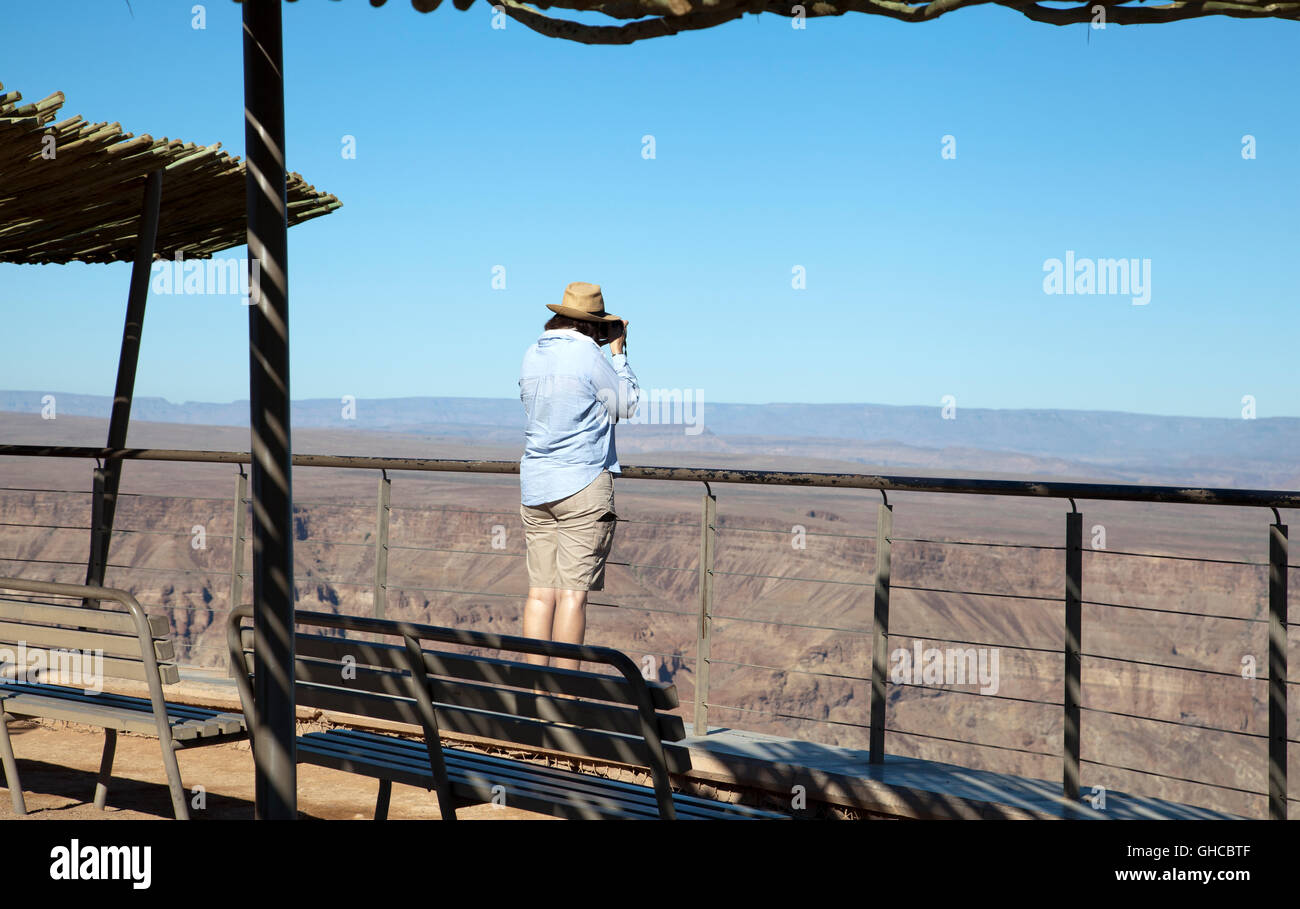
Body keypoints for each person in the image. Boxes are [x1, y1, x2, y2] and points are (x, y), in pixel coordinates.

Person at [518, 281, 639, 671]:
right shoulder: (591, 356)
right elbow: (625, 406)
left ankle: (534, 694)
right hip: (582, 485)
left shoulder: (532, 354)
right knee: (572, 596)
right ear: (595, 327)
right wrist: (618, 354)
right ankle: (565, 701)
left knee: (540, 595)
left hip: (536, 486)